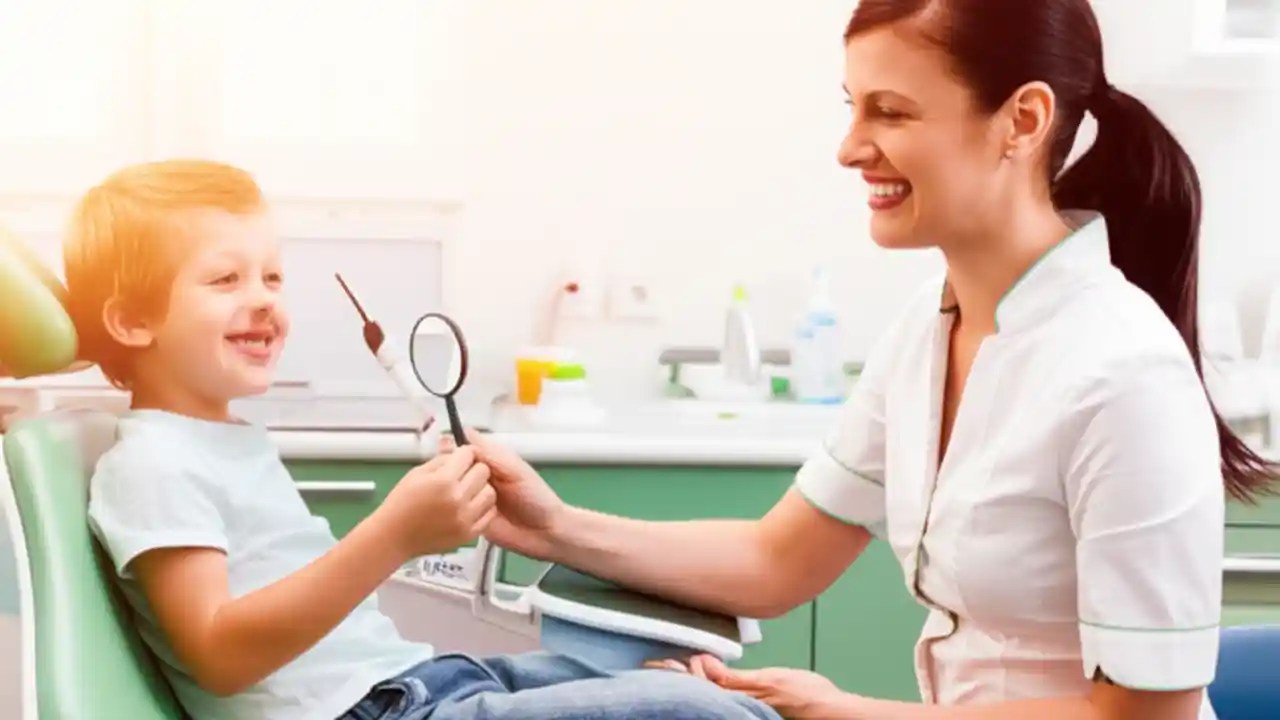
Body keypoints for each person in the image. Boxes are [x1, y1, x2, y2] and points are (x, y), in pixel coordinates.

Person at [457, 1, 1279, 719]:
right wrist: (552, 526)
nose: (851, 148)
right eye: (853, 108)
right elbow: (776, 561)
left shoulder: (1123, 376)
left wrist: (849, 714)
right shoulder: (929, 329)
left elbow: (1144, 718)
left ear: (1022, 122)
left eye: (891, 112)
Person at [67, 159, 782, 720]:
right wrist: (394, 537)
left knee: (664, 671)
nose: (263, 297)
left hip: (409, 683)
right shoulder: (153, 464)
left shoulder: (222, 439)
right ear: (132, 320)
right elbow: (220, 654)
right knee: (702, 713)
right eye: (224, 278)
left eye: (273, 275)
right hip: (370, 711)